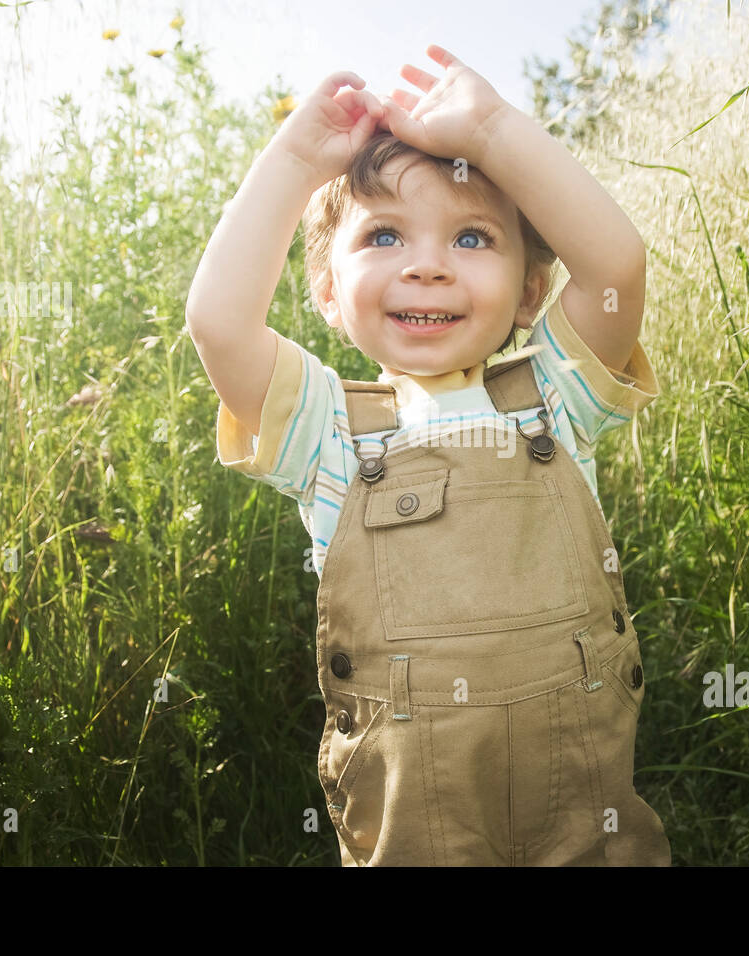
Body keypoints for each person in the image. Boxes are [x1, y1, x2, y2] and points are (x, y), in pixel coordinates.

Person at [186, 45, 670, 866]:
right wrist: (297, 162)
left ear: (527, 292)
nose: (427, 264)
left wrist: (490, 129)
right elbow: (221, 324)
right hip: (417, 838)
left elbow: (615, 264)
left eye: (473, 236)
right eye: (383, 235)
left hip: (588, 834)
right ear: (331, 295)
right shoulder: (327, 429)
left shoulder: (555, 395)